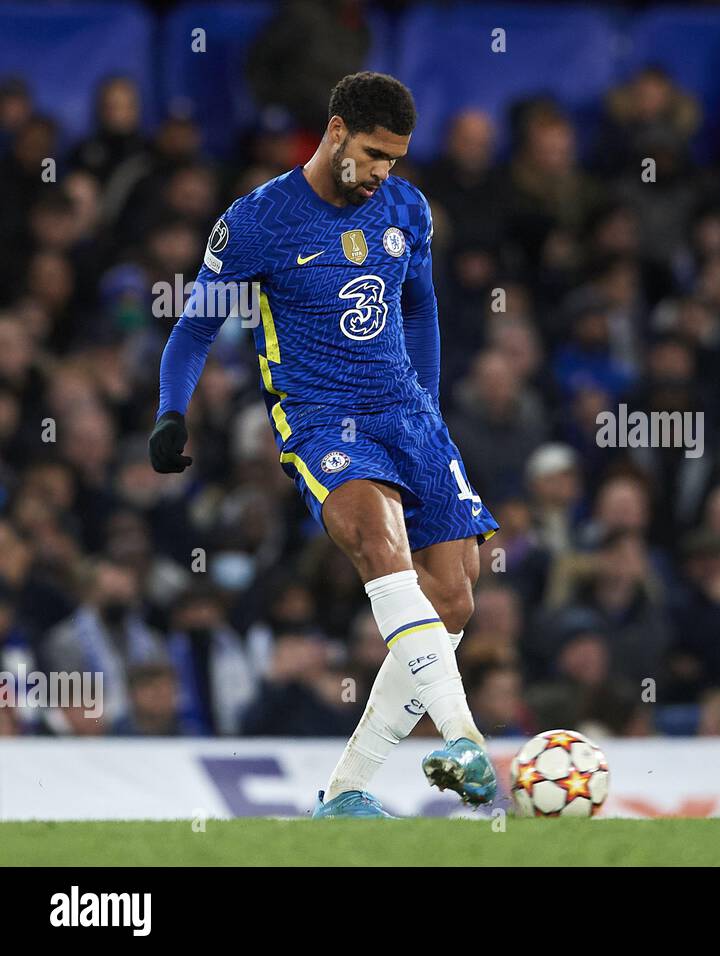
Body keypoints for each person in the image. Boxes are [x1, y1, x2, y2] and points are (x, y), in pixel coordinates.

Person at [149, 73, 499, 817]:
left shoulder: (407, 208)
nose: (382, 173)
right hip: (322, 416)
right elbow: (194, 327)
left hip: (408, 413)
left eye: (395, 160)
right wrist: (171, 411)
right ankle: (464, 735)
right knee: (379, 543)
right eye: (373, 154)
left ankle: (345, 791)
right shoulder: (259, 221)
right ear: (336, 130)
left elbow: (421, 307)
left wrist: (430, 409)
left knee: (456, 596)